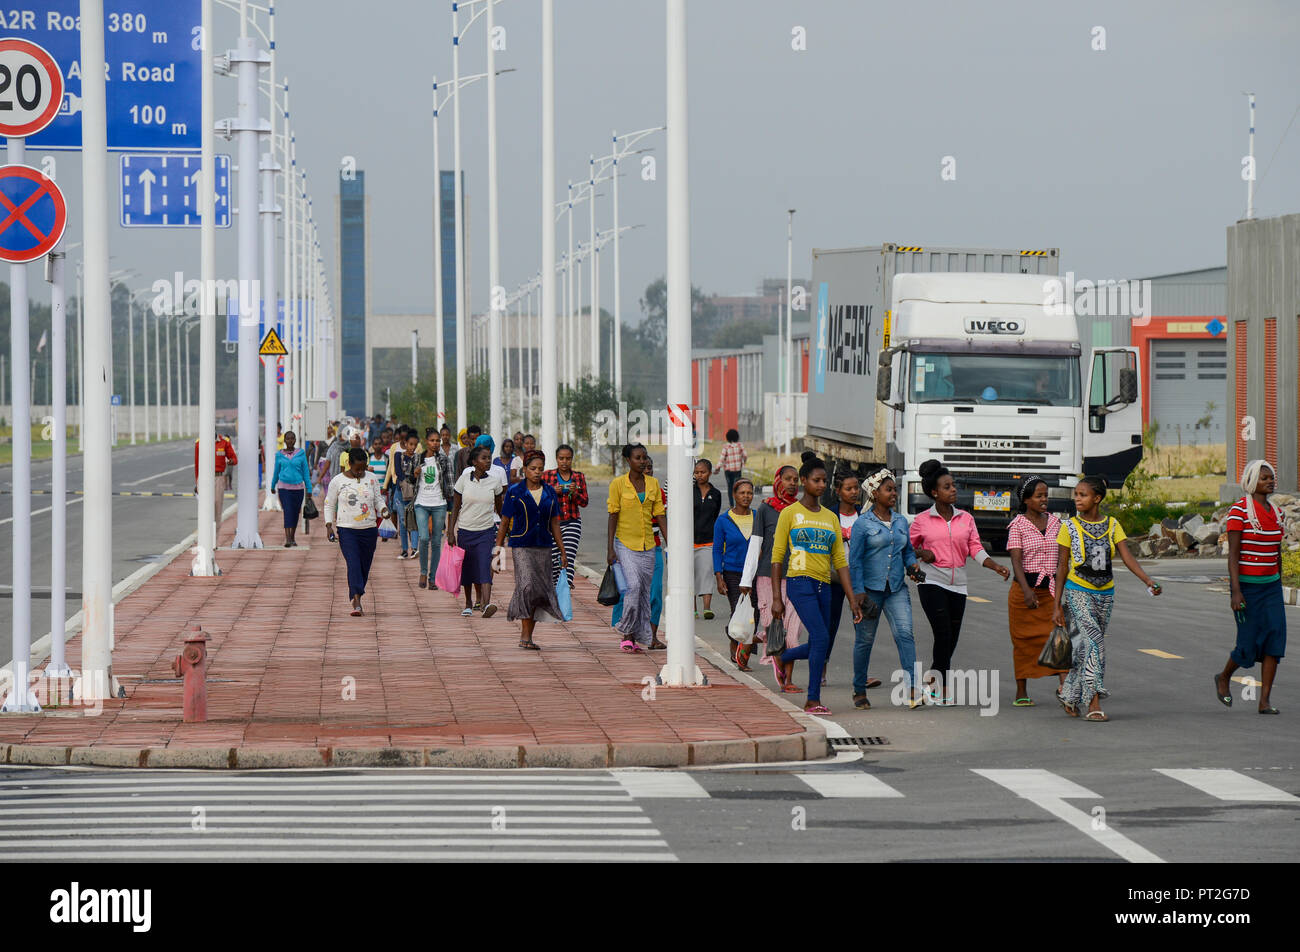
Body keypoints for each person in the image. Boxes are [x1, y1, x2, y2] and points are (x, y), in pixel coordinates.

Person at [1051, 475, 1162, 721]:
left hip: (1106, 595)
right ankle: (1094, 701)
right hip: (1077, 591)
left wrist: (1147, 580)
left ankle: (1069, 693)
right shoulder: (1068, 527)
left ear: (1097, 498)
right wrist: (1056, 604)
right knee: (1095, 644)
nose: (1077, 499)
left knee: (1085, 650)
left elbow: (1127, 558)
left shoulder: (1113, 525)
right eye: (1076, 495)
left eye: (1083, 495)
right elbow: (1061, 566)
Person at [910, 459, 1011, 704]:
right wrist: (924, 554)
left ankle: (935, 680)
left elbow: (975, 548)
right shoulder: (922, 520)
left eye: (953, 485)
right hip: (932, 581)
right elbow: (908, 548)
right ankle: (937, 684)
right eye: (947, 486)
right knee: (943, 634)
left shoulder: (965, 518)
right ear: (934, 492)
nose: (953, 489)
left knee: (952, 637)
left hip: (959, 584)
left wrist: (995, 565)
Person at [769, 458, 862, 715]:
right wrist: (777, 597)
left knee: (821, 641)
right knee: (821, 638)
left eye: (824, 481)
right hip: (799, 583)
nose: (821, 485)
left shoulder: (831, 517)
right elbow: (777, 557)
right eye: (816, 480)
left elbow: (840, 561)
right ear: (804, 482)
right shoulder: (789, 514)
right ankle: (812, 700)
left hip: (824, 585)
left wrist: (852, 598)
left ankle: (784, 657)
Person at [848, 469, 926, 709]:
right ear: (874, 493)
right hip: (869, 592)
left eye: (895, 489)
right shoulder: (862, 524)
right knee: (865, 641)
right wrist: (858, 593)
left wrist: (912, 566)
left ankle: (913, 689)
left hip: (896, 589)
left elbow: (908, 551)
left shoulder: (901, 520)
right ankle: (859, 690)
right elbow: (855, 561)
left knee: (905, 634)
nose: (894, 493)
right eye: (888, 489)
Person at [1215, 459, 1287, 715]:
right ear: (1251, 481)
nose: (1270, 481)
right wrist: (1236, 591)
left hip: (1271, 588)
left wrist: (1278, 581)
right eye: (1264, 477)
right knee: (1247, 644)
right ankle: (1224, 677)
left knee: (1274, 642)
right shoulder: (1239, 511)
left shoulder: (1278, 513)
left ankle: (1264, 701)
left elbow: (1276, 552)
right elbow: (1233, 556)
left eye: (1271, 477)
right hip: (1247, 588)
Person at [495, 450, 568, 650]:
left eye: (540, 469)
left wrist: (562, 551)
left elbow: (554, 523)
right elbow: (504, 522)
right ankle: (524, 635)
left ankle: (527, 637)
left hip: (544, 546)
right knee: (526, 586)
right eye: (533, 468)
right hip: (521, 546)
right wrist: (498, 549)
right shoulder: (514, 492)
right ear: (524, 469)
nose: (537, 472)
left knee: (537, 591)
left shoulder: (550, 492)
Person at [1006, 475, 1068, 706]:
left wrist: (1061, 595)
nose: (1044, 500)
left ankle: (1065, 687)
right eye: (1039, 496)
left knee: (1059, 637)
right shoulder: (1017, 525)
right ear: (1026, 500)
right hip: (1024, 593)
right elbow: (1016, 561)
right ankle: (1021, 691)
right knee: (1023, 643)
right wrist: (1026, 590)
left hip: (1051, 592)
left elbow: (1064, 560)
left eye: (1046, 495)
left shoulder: (1056, 523)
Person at [742, 465, 805, 692]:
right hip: (768, 578)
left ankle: (787, 678)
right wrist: (746, 580)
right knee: (775, 629)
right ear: (778, 480)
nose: (792, 483)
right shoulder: (765, 509)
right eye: (787, 479)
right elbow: (756, 544)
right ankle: (784, 679)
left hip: (797, 577)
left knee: (794, 634)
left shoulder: (801, 510)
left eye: (795, 479)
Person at [607, 442, 666, 652]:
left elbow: (660, 515)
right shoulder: (618, 484)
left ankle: (637, 636)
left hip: (648, 545)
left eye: (644, 458)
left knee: (644, 593)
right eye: (637, 458)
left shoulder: (653, 484)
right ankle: (626, 631)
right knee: (633, 587)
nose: (642, 461)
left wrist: (670, 545)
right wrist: (610, 549)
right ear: (628, 460)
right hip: (624, 544)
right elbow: (613, 515)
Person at [324, 447, 389, 616]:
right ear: (349, 464)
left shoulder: (372, 479)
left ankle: (357, 592)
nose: (360, 472)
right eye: (357, 468)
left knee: (364, 566)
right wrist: (329, 525)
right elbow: (329, 504)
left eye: (363, 468)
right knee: (353, 563)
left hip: (369, 529)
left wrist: (383, 509)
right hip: (347, 529)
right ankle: (357, 600)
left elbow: (378, 500)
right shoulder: (337, 481)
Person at [448, 444, 504, 616]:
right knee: (467, 568)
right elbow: (455, 508)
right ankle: (468, 602)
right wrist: (450, 532)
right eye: (484, 458)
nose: (488, 461)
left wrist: (505, 534)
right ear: (474, 461)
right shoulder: (463, 480)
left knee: (486, 566)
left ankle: (486, 604)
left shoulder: (495, 482)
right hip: (465, 531)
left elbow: (501, 511)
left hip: (486, 531)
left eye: (489, 458)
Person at [714, 477, 758, 669]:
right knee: (738, 611)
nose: (746, 496)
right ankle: (738, 653)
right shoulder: (723, 521)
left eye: (749, 493)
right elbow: (717, 550)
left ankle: (740, 648)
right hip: (732, 572)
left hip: (755, 573)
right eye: (742, 493)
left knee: (752, 615)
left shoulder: (758, 516)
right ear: (734, 495)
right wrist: (718, 576)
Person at [826, 471, 863, 684]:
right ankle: (821, 670)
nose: (853, 492)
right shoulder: (830, 515)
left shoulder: (864, 515)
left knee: (862, 627)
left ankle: (861, 674)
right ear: (838, 491)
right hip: (834, 579)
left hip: (858, 580)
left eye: (856, 488)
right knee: (829, 625)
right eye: (848, 489)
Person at [542, 444, 589, 589]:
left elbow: (584, 502)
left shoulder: (578, 477)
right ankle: (556, 590)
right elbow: (540, 502)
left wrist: (574, 493)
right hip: (551, 525)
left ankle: (566, 589)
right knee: (554, 561)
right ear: (556, 459)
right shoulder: (547, 476)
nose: (564, 462)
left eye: (568, 459)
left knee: (567, 557)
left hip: (572, 522)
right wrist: (552, 492)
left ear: (572, 459)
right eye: (561, 458)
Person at [413, 426, 454, 589]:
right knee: (423, 538)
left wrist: (452, 503)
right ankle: (423, 571)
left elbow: (450, 484)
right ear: (426, 442)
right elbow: (410, 479)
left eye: (438, 440)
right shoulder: (418, 458)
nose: (436, 443)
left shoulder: (444, 460)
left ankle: (432, 577)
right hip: (421, 503)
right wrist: (414, 474)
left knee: (436, 541)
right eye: (432, 440)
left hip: (439, 503)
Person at [270, 430, 313, 548]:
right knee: (288, 511)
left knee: (295, 513)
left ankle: (293, 537)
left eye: (292, 438)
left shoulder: (301, 453)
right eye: (288, 438)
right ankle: (288, 539)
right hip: (284, 488)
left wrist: (309, 489)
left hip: (298, 489)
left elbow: (305, 472)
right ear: (284, 440)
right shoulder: (279, 455)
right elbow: (276, 471)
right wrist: (272, 485)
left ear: (295, 440)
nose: (290, 440)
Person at [692, 459, 723, 620]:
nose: (699, 475)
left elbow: (715, 514)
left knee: (706, 572)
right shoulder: (689, 491)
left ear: (710, 473)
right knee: (689, 575)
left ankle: (707, 608)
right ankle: (693, 609)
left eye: (702, 472)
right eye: (696, 472)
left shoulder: (716, 494)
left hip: (708, 541)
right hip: (689, 541)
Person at [387, 430, 421, 559]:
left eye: (415, 445)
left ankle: (415, 549)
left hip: (413, 494)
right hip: (400, 493)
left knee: (413, 520)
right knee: (402, 521)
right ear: (405, 443)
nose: (412, 447)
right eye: (410, 444)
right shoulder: (398, 455)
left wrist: (411, 482)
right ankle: (404, 550)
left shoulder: (418, 457)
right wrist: (409, 481)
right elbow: (398, 473)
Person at [194, 429, 238, 529]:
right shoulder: (199, 444)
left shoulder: (224, 442)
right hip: (204, 478)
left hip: (218, 478)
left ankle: (214, 542)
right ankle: (204, 538)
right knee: (205, 509)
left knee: (217, 508)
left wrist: (231, 461)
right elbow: (197, 465)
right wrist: (197, 483)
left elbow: (234, 458)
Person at [719, 428, 748, 507]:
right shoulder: (740, 445)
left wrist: (718, 467)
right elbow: (745, 455)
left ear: (727, 437)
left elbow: (722, 458)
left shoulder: (726, 447)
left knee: (730, 487)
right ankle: (738, 503)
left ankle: (731, 505)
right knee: (738, 487)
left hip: (728, 471)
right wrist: (743, 462)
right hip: (737, 470)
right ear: (737, 437)